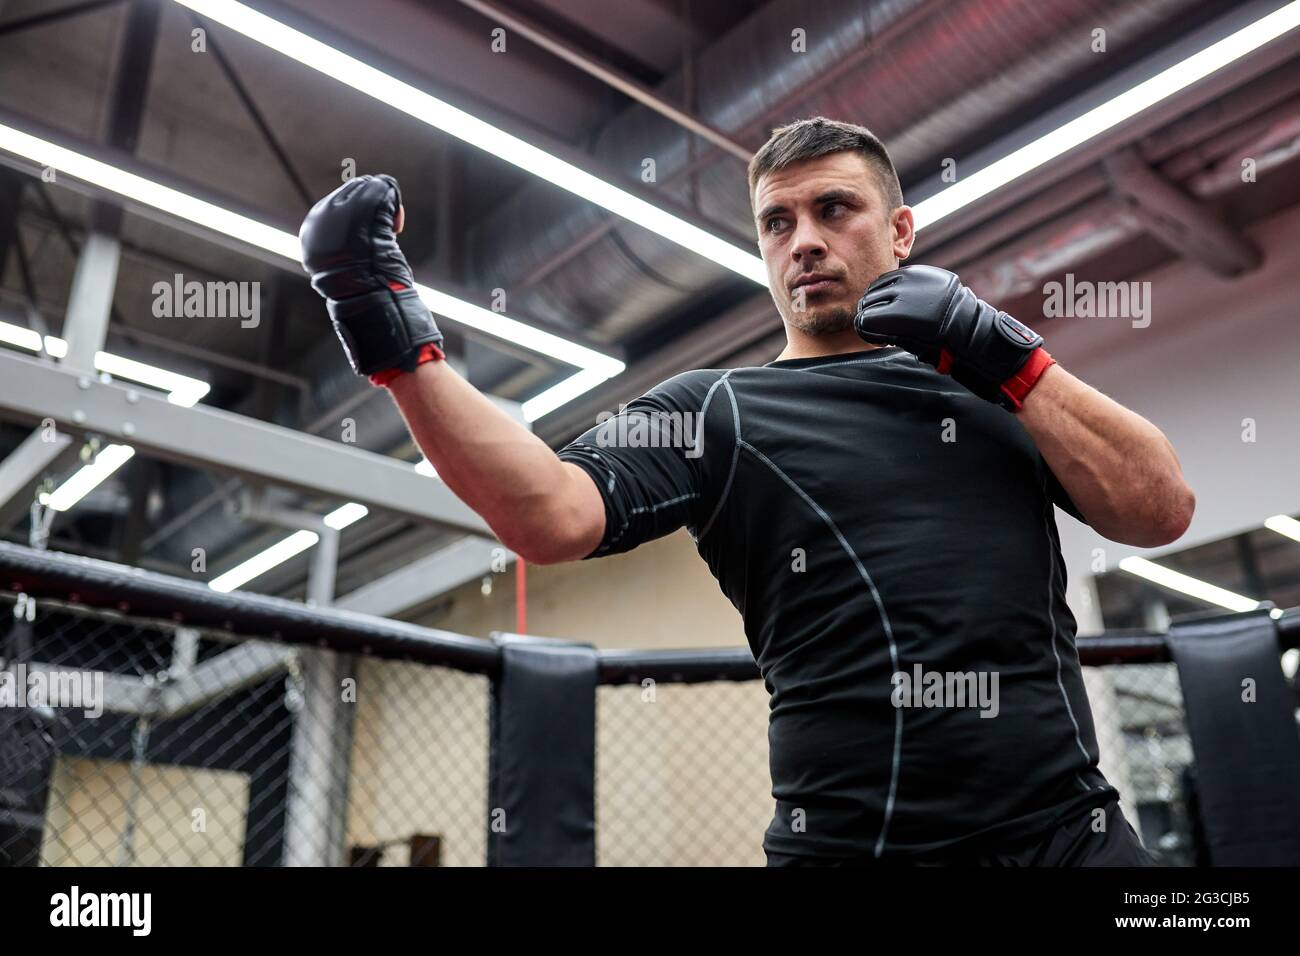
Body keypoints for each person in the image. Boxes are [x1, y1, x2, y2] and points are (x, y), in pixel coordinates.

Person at [299, 116, 1194, 866]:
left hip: (1068, 839)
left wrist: (1005, 354)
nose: (803, 239)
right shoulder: (716, 409)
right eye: (776, 222)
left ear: (901, 232)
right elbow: (550, 512)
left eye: (834, 209)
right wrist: (385, 325)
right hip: (851, 847)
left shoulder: (997, 390)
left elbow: (1159, 510)